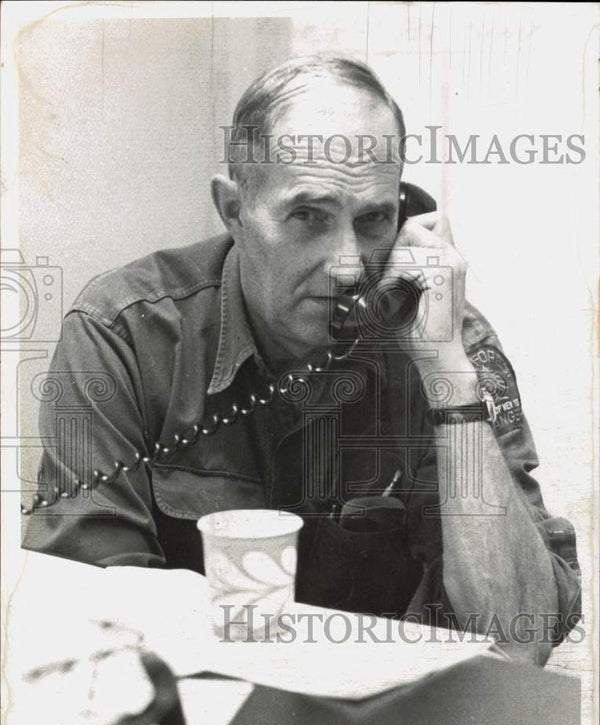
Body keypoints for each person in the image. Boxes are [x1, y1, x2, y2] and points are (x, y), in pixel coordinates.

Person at [22, 55, 580, 663]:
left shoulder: (447, 341)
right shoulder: (124, 333)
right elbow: (86, 623)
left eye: (373, 221)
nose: (347, 263)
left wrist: (447, 373)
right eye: (308, 216)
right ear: (233, 210)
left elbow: (521, 642)